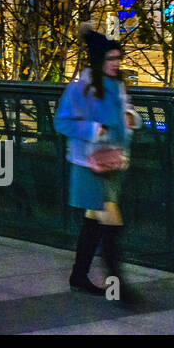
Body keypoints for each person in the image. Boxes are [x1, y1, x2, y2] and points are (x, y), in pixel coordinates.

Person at [56, 27, 142, 298]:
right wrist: (94, 130)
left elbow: (127, 115)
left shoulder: (117, 86)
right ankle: (119, 288)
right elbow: (62, 122)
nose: (116, 63)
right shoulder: (79, 89)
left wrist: (131, 118)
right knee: (112, 221)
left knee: (93, 221)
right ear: (98, 60)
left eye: (118, 58)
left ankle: (79, 275)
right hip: (88, 164)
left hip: (114, 163)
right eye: (110, 58)